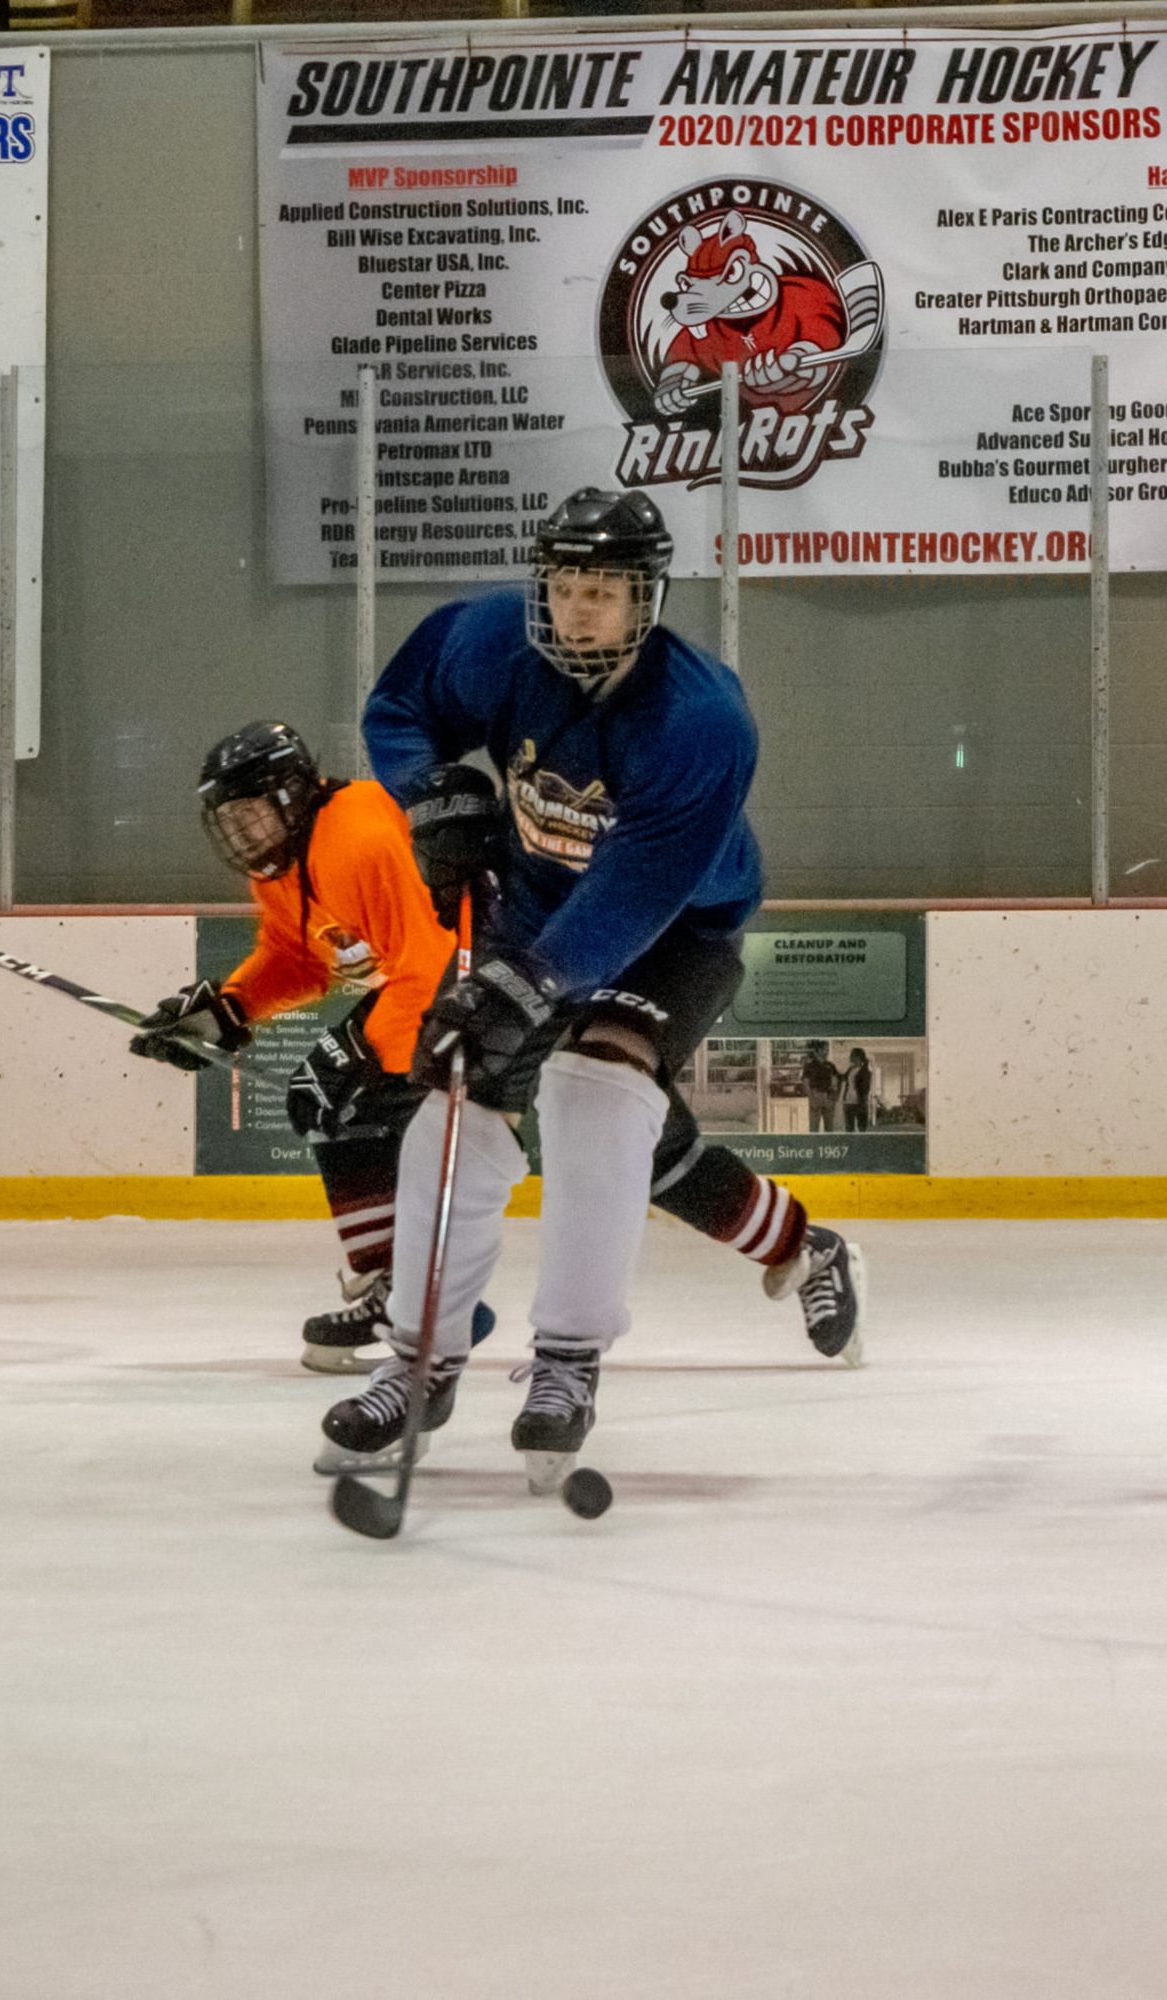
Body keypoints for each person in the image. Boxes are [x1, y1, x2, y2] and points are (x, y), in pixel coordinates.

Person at [320, 487, 865, 1484]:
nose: (577, 610)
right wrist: (432, 794)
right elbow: (399, 708)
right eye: (565, 586)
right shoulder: (492, 641)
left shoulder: (702, 719)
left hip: (672, 928)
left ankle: (567, 1361)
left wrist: (532, 981)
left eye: (603, 592)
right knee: (454, 1094)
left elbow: (638, 888)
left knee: (598, 1091)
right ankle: (419, 1357)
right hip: (532, 902)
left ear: (645, 598)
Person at [127, 720, 494, 1373]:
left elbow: (433, 959)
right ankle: (408, 1292)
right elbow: (298, 958)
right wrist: (230, 1009)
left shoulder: (361, 838)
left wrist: (376, 1060)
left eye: (250, 814)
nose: (240, 835)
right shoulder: (287, 864)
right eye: (229, 822)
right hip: (444, 984)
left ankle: (420, 1296)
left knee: (337, 1096)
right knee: (330, 1100)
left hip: (497, 978)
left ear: (291, 795)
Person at [801, 1039, 843, 1132]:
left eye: (827, 1049)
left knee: (829, 1128)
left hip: (828, 1097)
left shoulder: (830, 1065)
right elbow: (806, 1083)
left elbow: (838, 1080)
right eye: (825, 1049)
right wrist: (811, 1098)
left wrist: (837, 1095)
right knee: (813, 1128)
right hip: (815, 1096)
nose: (827, 1052)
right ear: (818, 1050)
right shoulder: (809, 1065)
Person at [843, 1046, 874, 1133]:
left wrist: (863, 1103)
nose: (850, 1057)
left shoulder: (865, 1071)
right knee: (849, 1129)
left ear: (858, 1057)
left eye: (852, 1055)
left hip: (859, 1103)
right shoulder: (850, 1069)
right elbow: (843, 1078)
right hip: (848, 1102)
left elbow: (866, 1088)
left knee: (862, 1128)